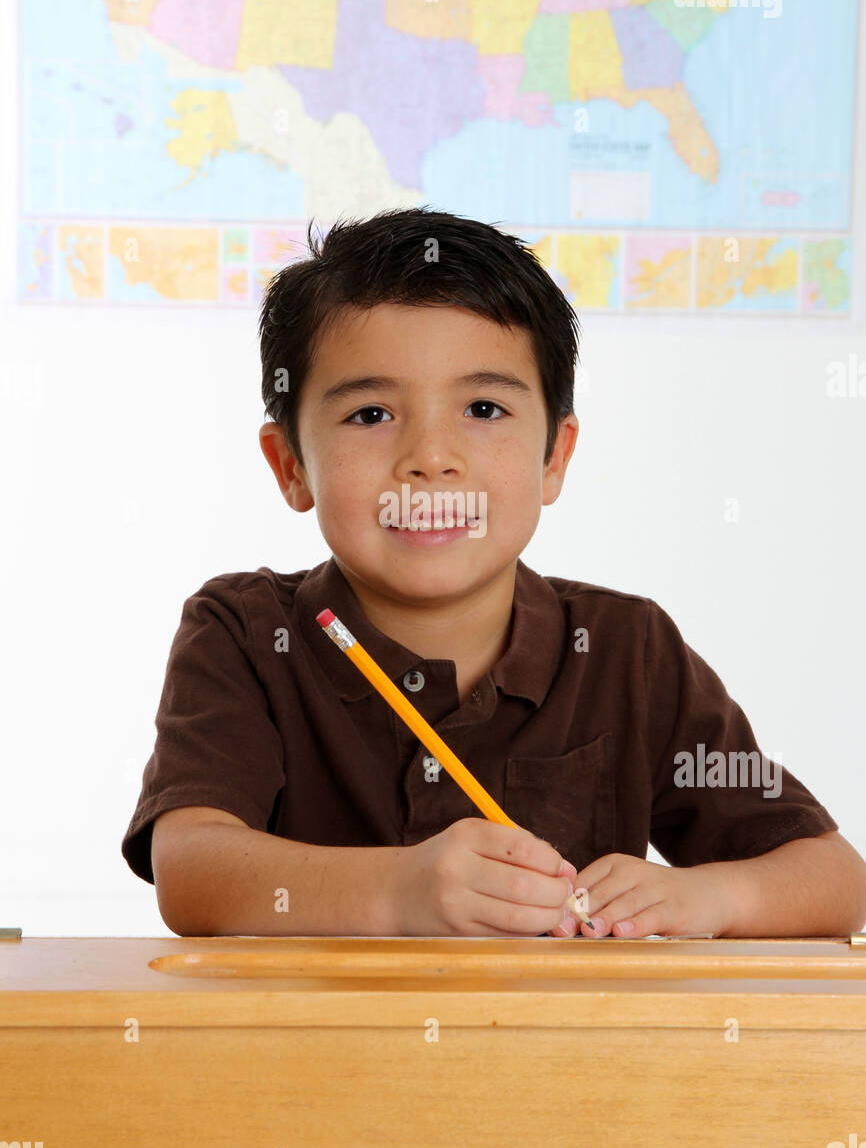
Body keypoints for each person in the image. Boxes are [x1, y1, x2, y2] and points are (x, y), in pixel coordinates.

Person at [121, 207, 866, 939]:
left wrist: (708, 898)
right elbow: (192, 869)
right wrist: (398, 892)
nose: (432, 457)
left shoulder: (626, 651)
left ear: (555, 457)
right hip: (319, 1063)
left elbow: (834, 877)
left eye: (483, 407)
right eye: (371, 415)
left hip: (562, 1065)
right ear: (291, 465)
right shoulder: (245, 633)